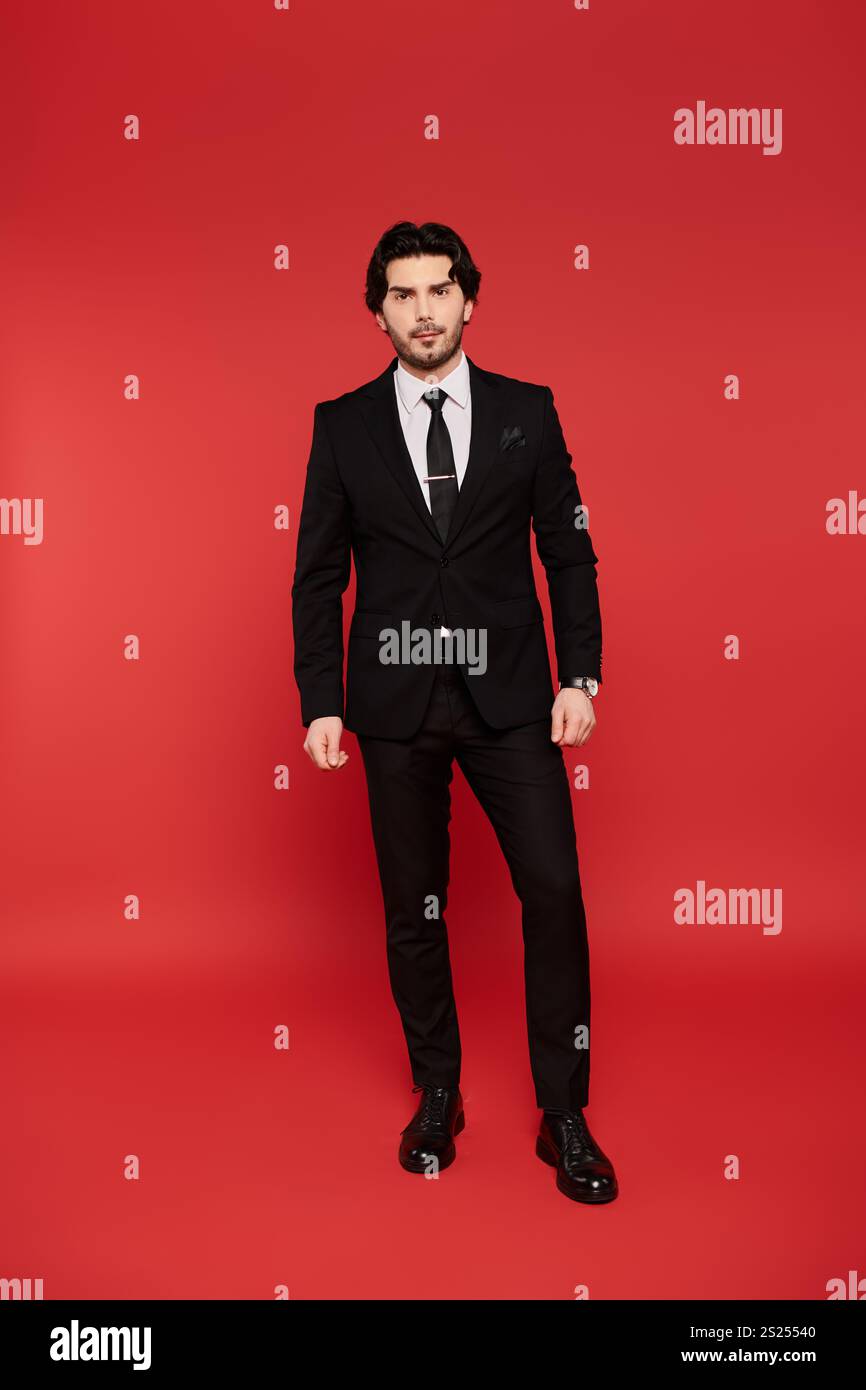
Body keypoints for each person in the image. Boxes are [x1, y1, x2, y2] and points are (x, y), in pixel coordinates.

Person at [291, 220, 618, 1204]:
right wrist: (320, 702)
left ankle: (563, 1112)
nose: (424, 309)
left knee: (552, 892)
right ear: (377, 309)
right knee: (412, 909)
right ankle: (437, 1090)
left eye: (440, 290)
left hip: (511, 696)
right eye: (403, 293)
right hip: (392, 701)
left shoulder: (528, 410)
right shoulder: (341, 424)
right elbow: (317, 576)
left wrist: (580, 678)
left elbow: (567, 549)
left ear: (468, 301)